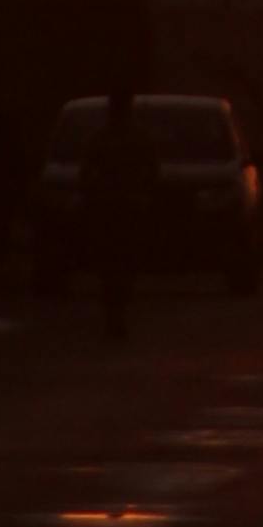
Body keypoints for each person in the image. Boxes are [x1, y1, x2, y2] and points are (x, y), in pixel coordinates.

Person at [81, 84, 162, 344]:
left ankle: (115, 313)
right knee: (117, 263)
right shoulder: (119, 138)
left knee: (119, 263)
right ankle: (115, 314)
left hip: (120, 208)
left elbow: (152, 171)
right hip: (118, 208)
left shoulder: (111, 138)